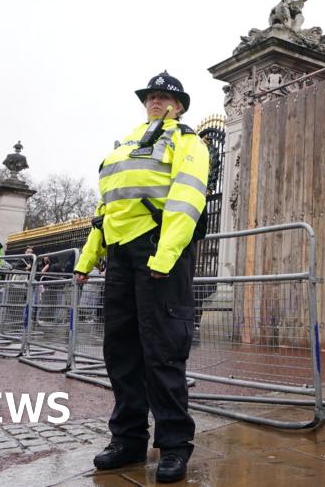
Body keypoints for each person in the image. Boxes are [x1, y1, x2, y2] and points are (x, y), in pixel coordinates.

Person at [75, 71, 210, 483]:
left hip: (157, 249)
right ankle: (128, 439)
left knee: (163, 351)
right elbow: (108, 208)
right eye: (151, 96)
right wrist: (87, 258)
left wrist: (165, 254)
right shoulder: (126, 145)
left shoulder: (188, 141)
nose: (156, 101)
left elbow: (187, 198)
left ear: (179, 105)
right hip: (119, 253)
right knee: (121, 351)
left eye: (165, 96)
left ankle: (173, 445)